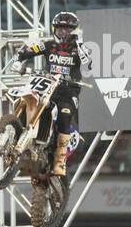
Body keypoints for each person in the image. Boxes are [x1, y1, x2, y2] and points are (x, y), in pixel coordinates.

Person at [8, 11, 90, 178]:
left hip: (68, 92)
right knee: (28, 97)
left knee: (65, 116)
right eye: (60, 28)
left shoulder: (79, 49)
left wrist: (80, 44)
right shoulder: (48, 45)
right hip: (47, 87)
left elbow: (89, 65)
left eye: (67, 29)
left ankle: (60, 160)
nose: (62, 32)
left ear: (73, 31)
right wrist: (17, 62)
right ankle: (15, 133)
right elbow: (26, 52)